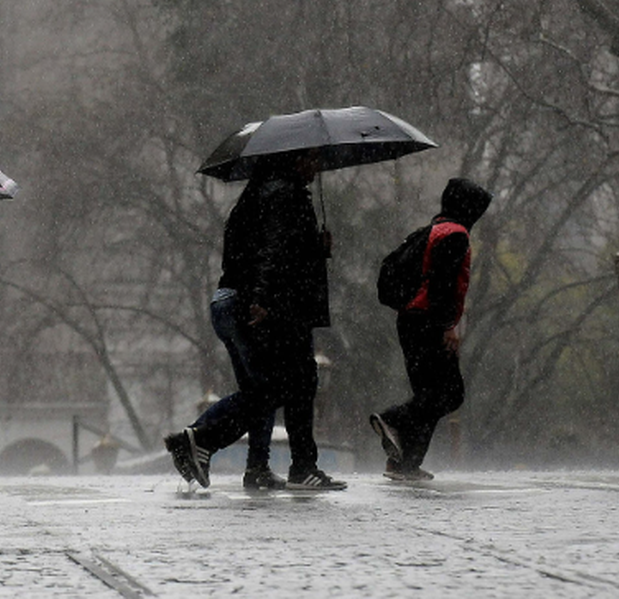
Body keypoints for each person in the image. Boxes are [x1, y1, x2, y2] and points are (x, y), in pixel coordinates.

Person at [165, 148, 346, 491]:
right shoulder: (285, 195)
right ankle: (203, 439)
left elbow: (260, 251)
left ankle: (257, 466)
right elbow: (273, 251)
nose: (316, 167)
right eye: (310, 159)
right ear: (293, 162)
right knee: (288, 385)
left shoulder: (252, 200)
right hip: (265, 306)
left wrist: (314, 247)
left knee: (264, 387)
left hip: (231, 301)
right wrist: (262, 298)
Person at [370, 177, 492, 481]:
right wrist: (448, 326)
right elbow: (442, 284)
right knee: (450, 393)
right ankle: (393, 419)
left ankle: (405, 464)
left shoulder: (429, 231)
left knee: (429, 395)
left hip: (410, 320)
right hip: (429, 321)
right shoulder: (456, 235)